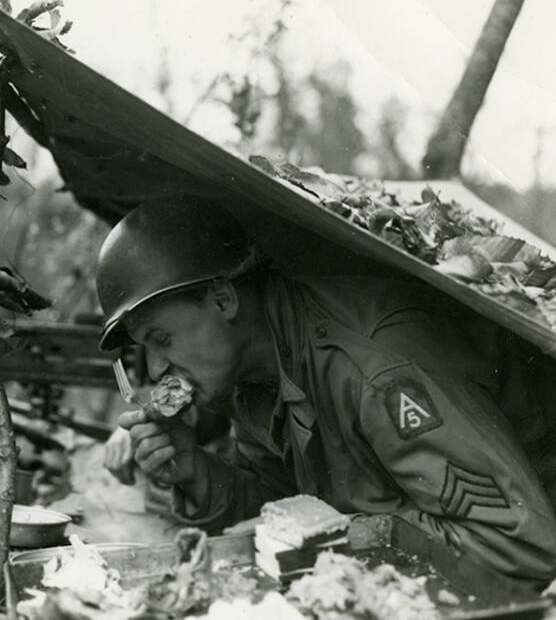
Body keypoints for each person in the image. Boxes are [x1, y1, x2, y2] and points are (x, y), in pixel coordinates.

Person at [96, 193, 556, 585]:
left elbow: (521, 546)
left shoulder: (374, 367)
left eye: (161, 339)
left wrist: (333, 541)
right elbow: (282, 506)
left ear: (222, 298)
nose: (155, 368)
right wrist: (197, 474)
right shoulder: (252, 377)